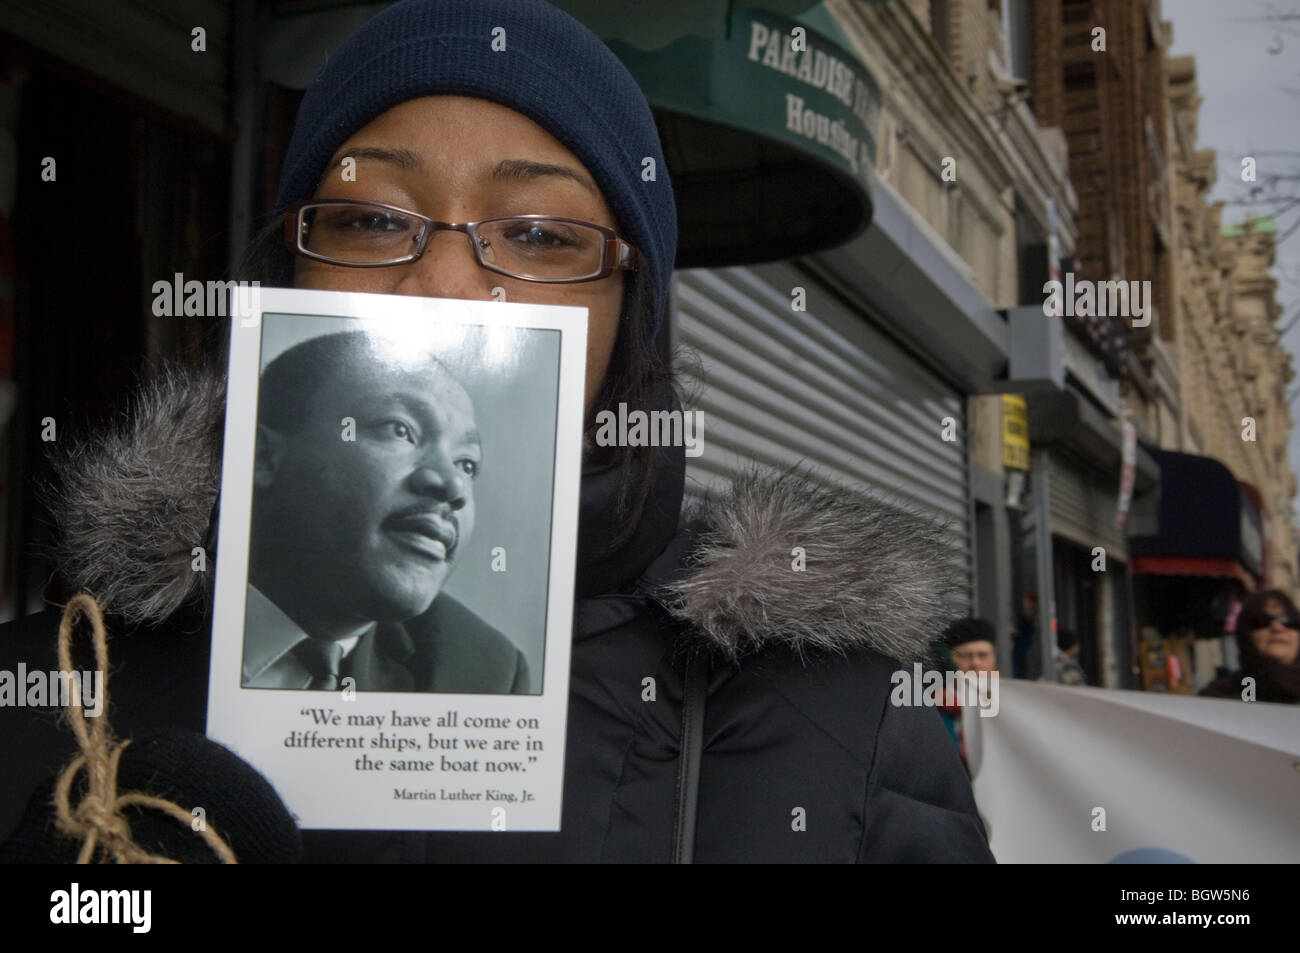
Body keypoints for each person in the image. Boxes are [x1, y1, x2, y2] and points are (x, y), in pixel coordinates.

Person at [0, 0, 993, 862]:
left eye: (537, 235)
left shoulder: (845, 727)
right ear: (287, 275)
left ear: (631, 315)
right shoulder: (62, 693)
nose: (443, 282)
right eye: (371, 219)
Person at [243, 331, 527, 693]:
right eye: (399, 430)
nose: (452, 486)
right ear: (261, 456)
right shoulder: (155, 626)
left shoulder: (486, 671)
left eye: (467, 464)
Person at [1200, 589, 1300, 704]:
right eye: (1262, 621)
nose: (1277, 628)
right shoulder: (1219, 698)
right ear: (1246, 635)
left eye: (1287, 621)